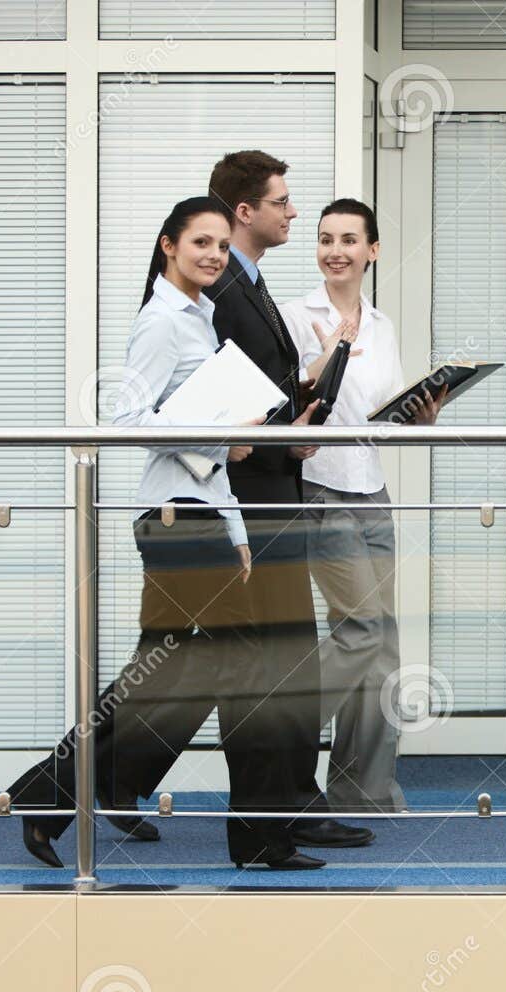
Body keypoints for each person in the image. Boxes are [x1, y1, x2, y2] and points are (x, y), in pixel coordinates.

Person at [6, 196, 323, 871]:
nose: (212, 254)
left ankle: (54, 791)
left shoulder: (202, 319)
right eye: (199, 242)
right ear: (167, 246)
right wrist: (222, 441)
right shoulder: (161, 322)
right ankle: (257, 837)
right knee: (242, 674)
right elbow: (126, 420)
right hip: (178, 520)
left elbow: (217, 442)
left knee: (170, 678)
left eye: (217, 244)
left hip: (200, 516)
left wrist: (236, 526)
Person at [201, 151, 375, 849]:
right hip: (249, 499)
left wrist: (302, 400)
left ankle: (286, 809)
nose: (294, 213)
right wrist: (283, 436)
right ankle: (84, 784)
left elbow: (259, 392)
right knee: (250, 667)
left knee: (282, 661)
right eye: (282, 201)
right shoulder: (221, 293)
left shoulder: (251, 285)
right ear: (248, 210)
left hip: (276, 490)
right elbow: (215, 407)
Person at [279, 198, 442, 814]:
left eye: (350, 239)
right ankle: (276, 730)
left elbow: (381, 420)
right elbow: (285, 403)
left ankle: (361, 791)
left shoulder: (382, 325)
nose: (335, 250)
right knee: (359, 630)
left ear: (372, 250)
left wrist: (422, 417)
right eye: (325, 239)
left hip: (371, 487)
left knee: (384, 645)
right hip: (318, 487)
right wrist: (328, 355)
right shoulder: (295, 317)